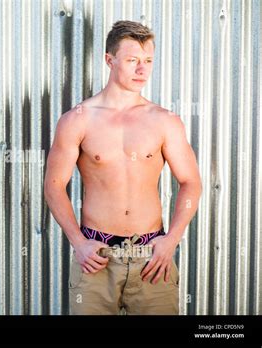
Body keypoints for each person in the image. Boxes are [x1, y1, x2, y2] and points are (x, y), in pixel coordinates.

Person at [44, 20, 202, 315]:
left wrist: (172, 240)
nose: (142, 70)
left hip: (152, 258)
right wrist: (78, 244)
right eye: (132, 61)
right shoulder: (77, 120)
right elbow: (53, 187)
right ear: (110, 60)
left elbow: (191, 182)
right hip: (96, 258)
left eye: (148, 61)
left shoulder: (164, 120)